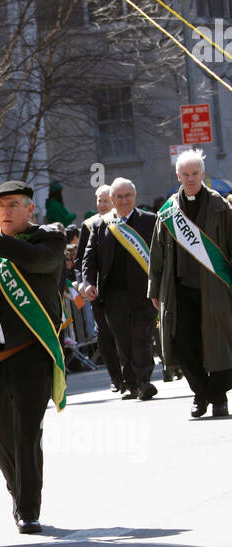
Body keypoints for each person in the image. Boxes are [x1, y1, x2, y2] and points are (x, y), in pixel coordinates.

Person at [0, 182, 66, 534]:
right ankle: (17, 485)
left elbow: (39, 262)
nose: (4, 211)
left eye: (12, 205)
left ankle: (28, 508)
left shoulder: (48, 237)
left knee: (27, 432)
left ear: (30, 210)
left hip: (30, 354)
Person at [148, 148, 232, 419]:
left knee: (218, 343)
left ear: (203, 173)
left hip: (216, 287)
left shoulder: (221, 207)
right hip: (179, 289)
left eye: (195, 173)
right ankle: (200, 392)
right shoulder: (168, 212)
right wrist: (154, 288)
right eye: (185, 174)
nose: (191, 178)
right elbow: (157, 253)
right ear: (178, 175)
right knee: (183, 344)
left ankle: (216, 398)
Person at [82, 178, 157, 401]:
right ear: (112, 200)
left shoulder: (150, 221)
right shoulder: (101, 224)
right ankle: (131, 384)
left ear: (135, 197)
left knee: (142, 337)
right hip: (113, 294)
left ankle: (144, 381)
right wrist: (88, 282)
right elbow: (89, 258)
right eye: (119, 196)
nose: (124, 200)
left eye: (128, 196)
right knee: (123, 340)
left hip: (144, 292)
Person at [74, 185, 123, 391]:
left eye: (105, 200)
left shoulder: (122, 222)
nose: (101, 205)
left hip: (121, 289)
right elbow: (81, 260)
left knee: (125, 334)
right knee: (104, 333)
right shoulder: (89, 225)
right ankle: (116, 378)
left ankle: (133, 375)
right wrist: (85, 283)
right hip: (99, 291)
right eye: (99, 200)